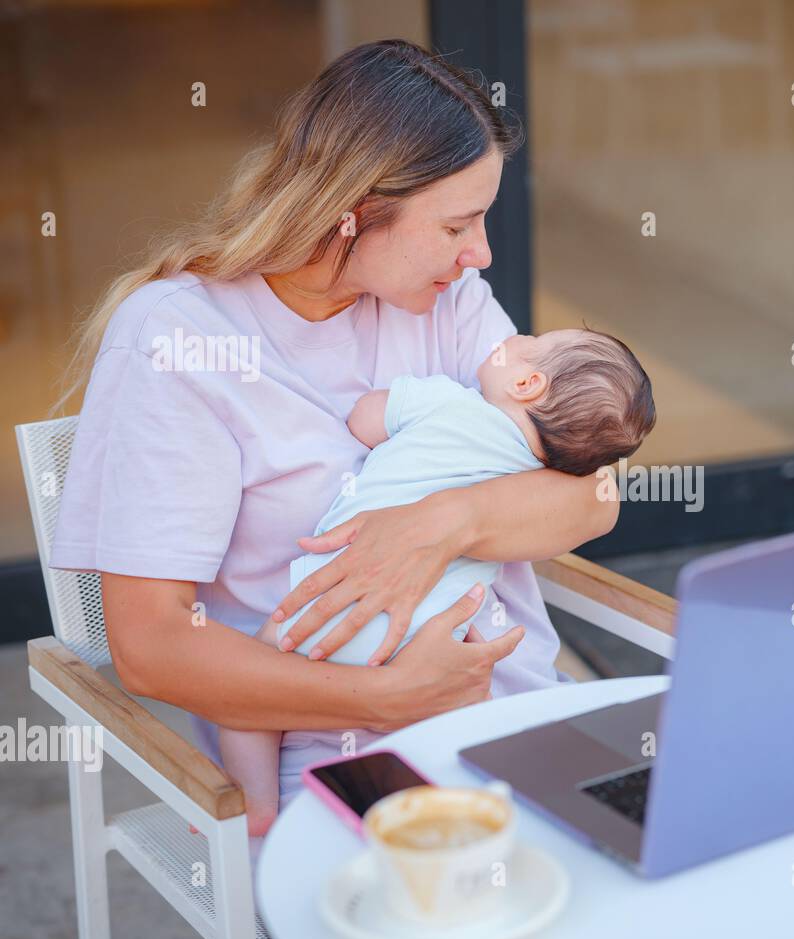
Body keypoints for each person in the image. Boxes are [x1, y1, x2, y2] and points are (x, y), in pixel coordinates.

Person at [49, 40, 622, 814]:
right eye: (457, 225)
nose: (480, 254)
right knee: (451, 885)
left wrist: (442, 523)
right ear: (354, 210)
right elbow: (152, 647)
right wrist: (384, 696)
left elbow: (595, 496)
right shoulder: (180, 342)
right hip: (337, 755)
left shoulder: (449, 302)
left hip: (520, 722)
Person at [222, 328, 656, 834]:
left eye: (531, 341)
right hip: (429, 644)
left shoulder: (448, 402)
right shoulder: (538, 474)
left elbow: (365, 419)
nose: (515, 335)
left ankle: (256, 803)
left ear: (527, 383)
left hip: (326, 610)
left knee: (250, 692)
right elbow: (596, 494)